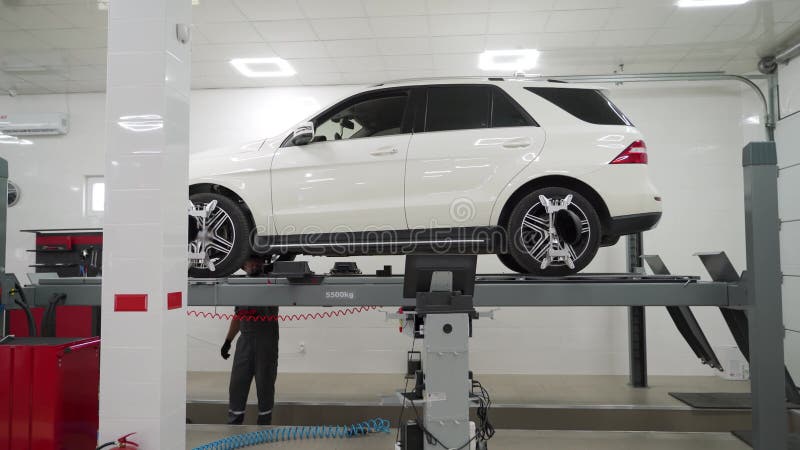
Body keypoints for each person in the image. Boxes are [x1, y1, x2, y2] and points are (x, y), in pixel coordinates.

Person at [221, 256, 280, 425]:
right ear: (244, 265)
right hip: (245, 343)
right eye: (250, 261)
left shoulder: (271, 283)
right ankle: (234, 425)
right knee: (237, 385)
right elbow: (238, 316)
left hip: (266, 345)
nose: (254, 264)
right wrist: (228, 341)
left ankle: (263, 425)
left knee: (265, 385)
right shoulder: (240, 286)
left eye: (257, 261)